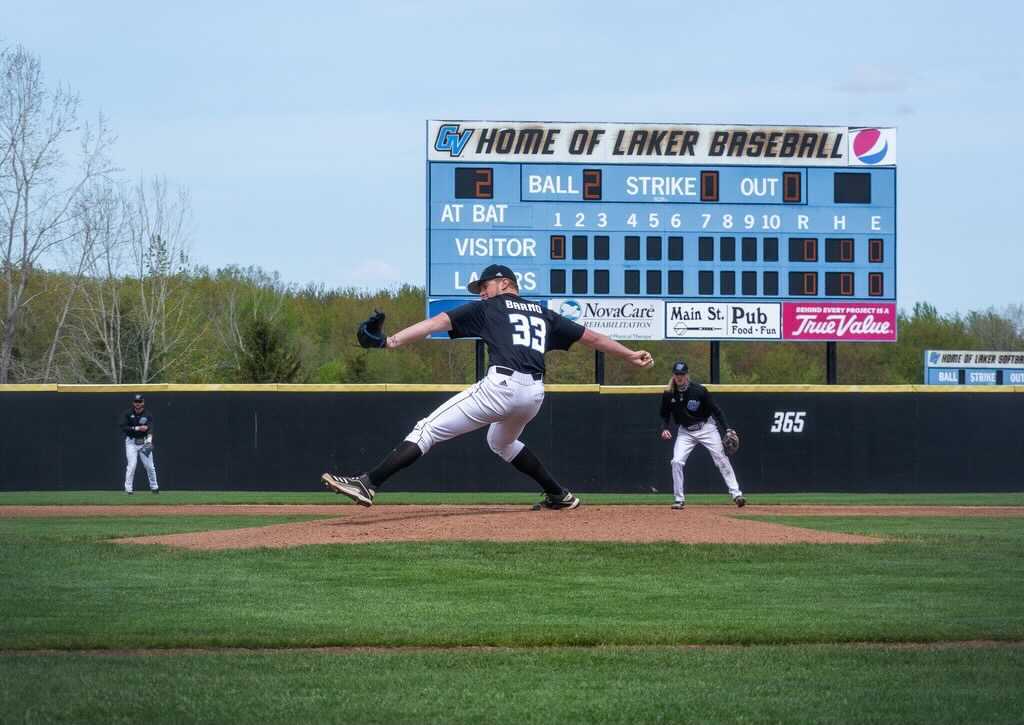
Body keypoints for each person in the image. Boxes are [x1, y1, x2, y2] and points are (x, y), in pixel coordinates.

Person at [322, 263, 654, 510]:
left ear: (505, 283)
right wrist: (629, 355)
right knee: (500, 441)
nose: (481, 292)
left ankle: (368, 483)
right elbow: (591, 337)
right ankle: (559, 494)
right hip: (534, 395)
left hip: (502, 386)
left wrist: (390, 342)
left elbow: (436, 323)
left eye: (485, 285)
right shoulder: (543, 313)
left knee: (427, 429)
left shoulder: (489, 308)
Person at [659, 361, 745, 509]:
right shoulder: (668, 394)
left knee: (721, 459)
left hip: (706, 428)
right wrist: (664, 428)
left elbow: (716, 411)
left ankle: (736, 494)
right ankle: (679, 499)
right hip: (685, 432)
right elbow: (664, 415)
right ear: (673, 375)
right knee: (676, 462)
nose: (679, 377)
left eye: (682, 374)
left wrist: (728, 429)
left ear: (687, 375)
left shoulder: (699, 391)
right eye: (677, 374)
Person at [120, 393, 159, 495]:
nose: (138, 404)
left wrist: (149, 441)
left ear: (143, 402)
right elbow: (123, 427)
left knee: (149, 466)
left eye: (140, 402)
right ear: (133, 403)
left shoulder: (148, 414)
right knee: (132, 466)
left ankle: (154, 487)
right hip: (131, 442)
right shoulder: (128, 413)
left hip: (144, 442)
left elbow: (150, 428)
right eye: (136, 402)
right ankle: (128, 489)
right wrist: (136, 428)